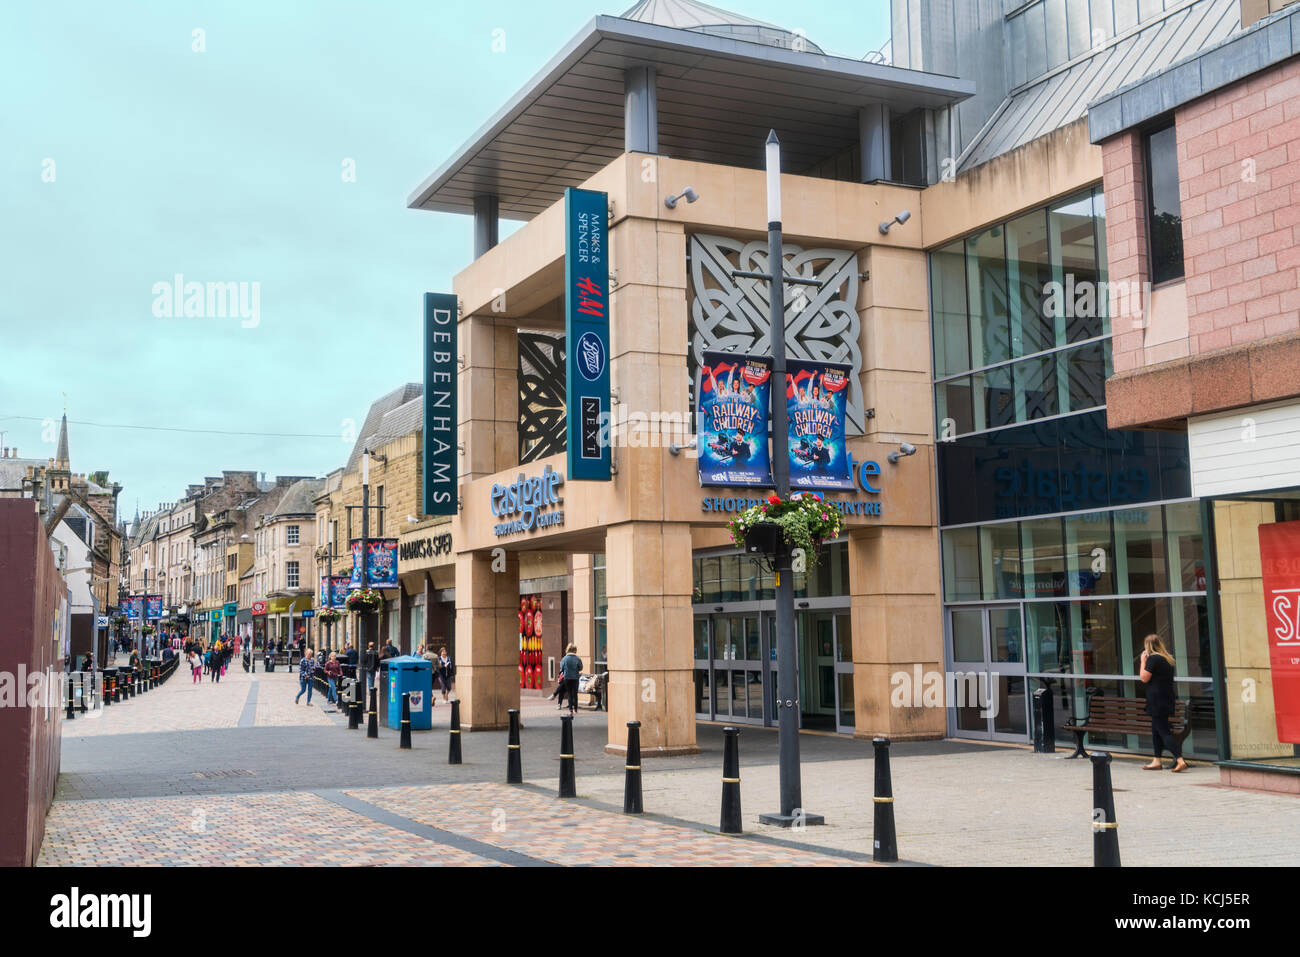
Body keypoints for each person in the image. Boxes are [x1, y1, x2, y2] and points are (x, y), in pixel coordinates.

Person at [1140, 634, 1187, 772]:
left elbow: (1144, 678)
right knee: (1156, 730)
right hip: (1166, 698)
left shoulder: (1153, 659)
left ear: (1148, 646)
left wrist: (1143, 661)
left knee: (1163, 731)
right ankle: (1156, 760)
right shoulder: (1167, 659)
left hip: (1156, 700)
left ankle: (1179, 759)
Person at [559, 644, 582, 717]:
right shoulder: (577, 659)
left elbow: (561, 668)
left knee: (569, 693)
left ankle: (570, 709)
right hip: (575, 678)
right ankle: (575, 709)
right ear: (574, 650)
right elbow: (581, 668)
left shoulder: (564, 659)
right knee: (575, 694)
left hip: (567, 678)